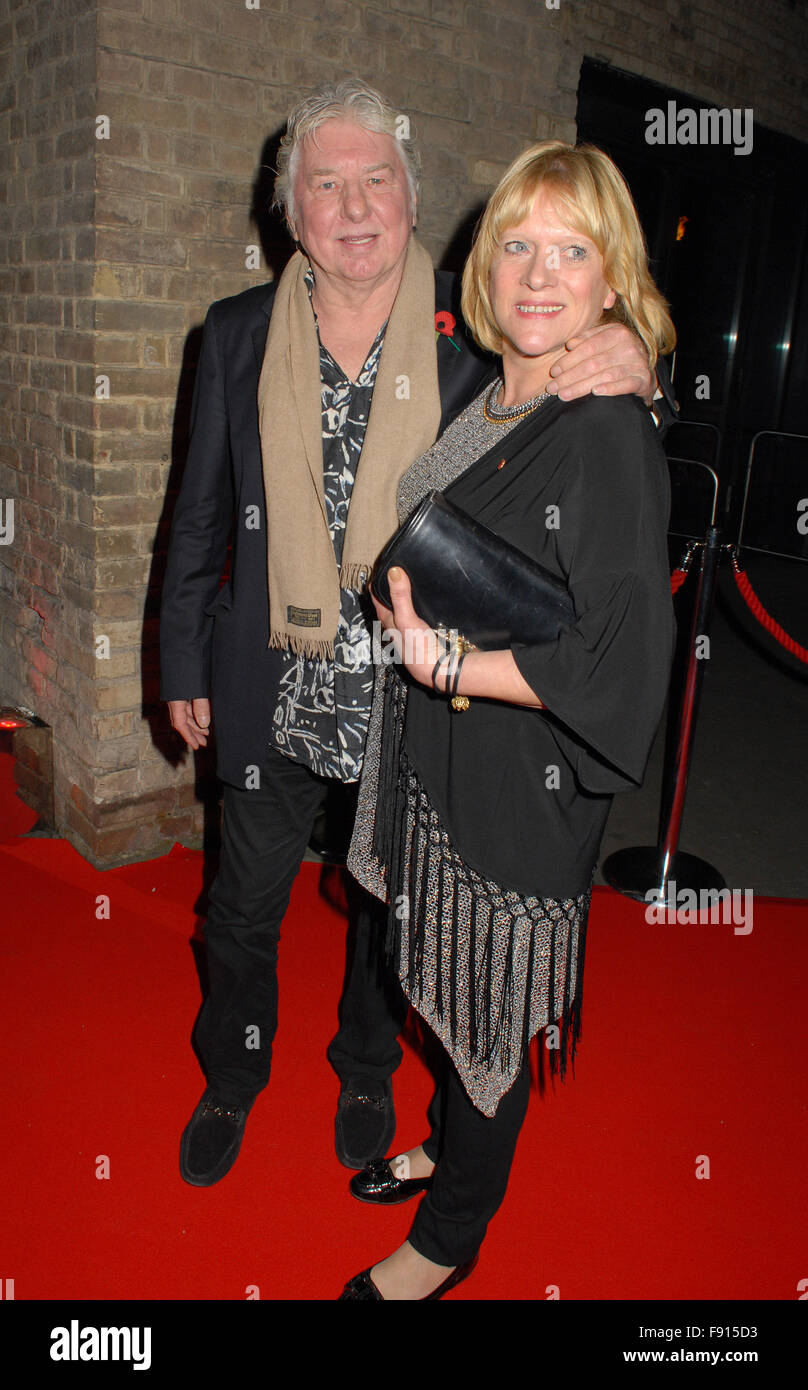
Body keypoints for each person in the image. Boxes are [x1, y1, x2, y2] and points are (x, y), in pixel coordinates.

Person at [159, 80, 670, 1189]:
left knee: (384, 910)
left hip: (414, 695)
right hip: (272, 680)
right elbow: (196, 511)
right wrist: (183, 661)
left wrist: (639, 361)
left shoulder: (474, 331)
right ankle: (234, 1072)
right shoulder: (237, 332)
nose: (352, 207)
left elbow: (572, 390)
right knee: (239, 907)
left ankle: (362, 1067)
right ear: (289, 213)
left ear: (412, 197)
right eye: (325, 186)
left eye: (375, 180)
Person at [340, 139, 676, 1299]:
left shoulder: (607, 428)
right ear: (484, 268)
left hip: (517, 786)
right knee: (436, 978)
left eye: (571, 250)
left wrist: (445, 668)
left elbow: (620, 667)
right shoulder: (498, 392)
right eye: (519, 245)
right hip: (446, 762)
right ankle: (447, 1146)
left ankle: (451, 1236)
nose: (540, 274)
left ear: (610, 278)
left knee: (486, 1009)